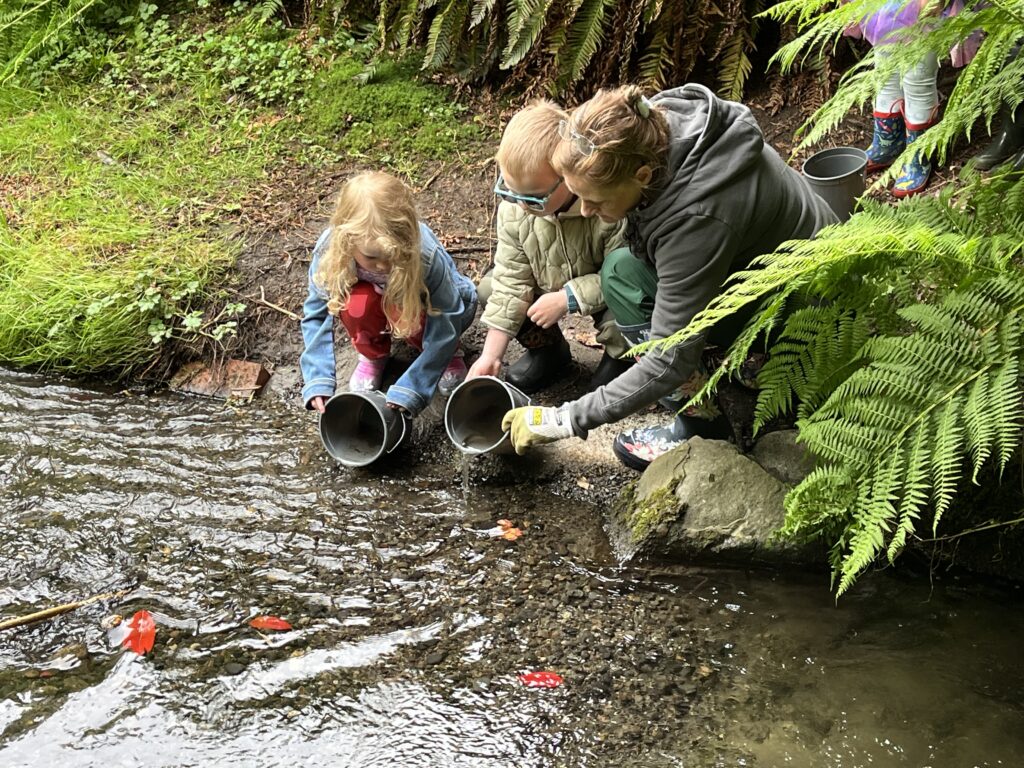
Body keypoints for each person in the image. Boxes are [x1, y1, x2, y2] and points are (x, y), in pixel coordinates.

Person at [501, 84, 837, 470]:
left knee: (622, 280)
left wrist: (562, 420)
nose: (588, 211)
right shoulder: (650, 129)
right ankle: (731, 367)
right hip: (771, 269)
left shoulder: (696, 218)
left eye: (597, 200)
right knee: (623, 269)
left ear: (642, 176)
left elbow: (668, 361)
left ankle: (704, 423)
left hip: (803, 310)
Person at [466, 99, 632, 394]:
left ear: (568, 178)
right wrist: (491, 356)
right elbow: (510, 282)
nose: (519, 204)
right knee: (490, 287)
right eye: (509, 190)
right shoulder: (516, 212)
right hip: (547, 284)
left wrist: (569, 298)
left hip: (606, 289)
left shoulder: (604, 207)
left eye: (533, 198)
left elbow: (626, 275)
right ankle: (549, 352)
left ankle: (620, 358)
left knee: (628, 305)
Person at [300, 171, 477, 417]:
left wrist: (414, 387)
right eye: (371, 257)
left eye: (392, 256)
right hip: (383, 307)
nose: (382, 266)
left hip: (434, 309)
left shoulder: (424, 253)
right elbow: (317, 314)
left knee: (409, 302)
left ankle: (442, 356)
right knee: (355, 304)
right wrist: (317, 377)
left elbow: (447, 313)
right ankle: (374, 355)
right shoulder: (330, 251)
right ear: (348, 240)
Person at [847, 0, 980, 197]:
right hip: (883, 9)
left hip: (925, 9)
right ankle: (887, 144)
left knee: (918, 80)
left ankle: (919, 154)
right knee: (885, 75)